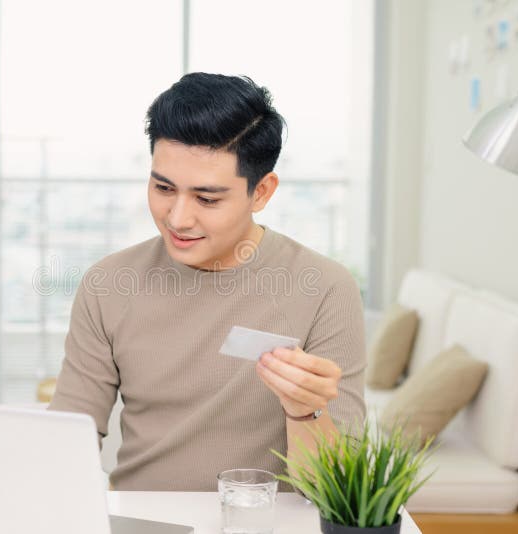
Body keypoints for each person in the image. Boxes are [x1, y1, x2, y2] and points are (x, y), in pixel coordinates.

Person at [48, 72, 366, 491]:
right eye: (163, 188)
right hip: (141, 515)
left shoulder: (325, 288)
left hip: (262, 518)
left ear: (262, 192)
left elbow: (337, 490)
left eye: (207, 198)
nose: (178, 219)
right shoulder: (108, 284)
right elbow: (67, 440)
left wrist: (305, 411)